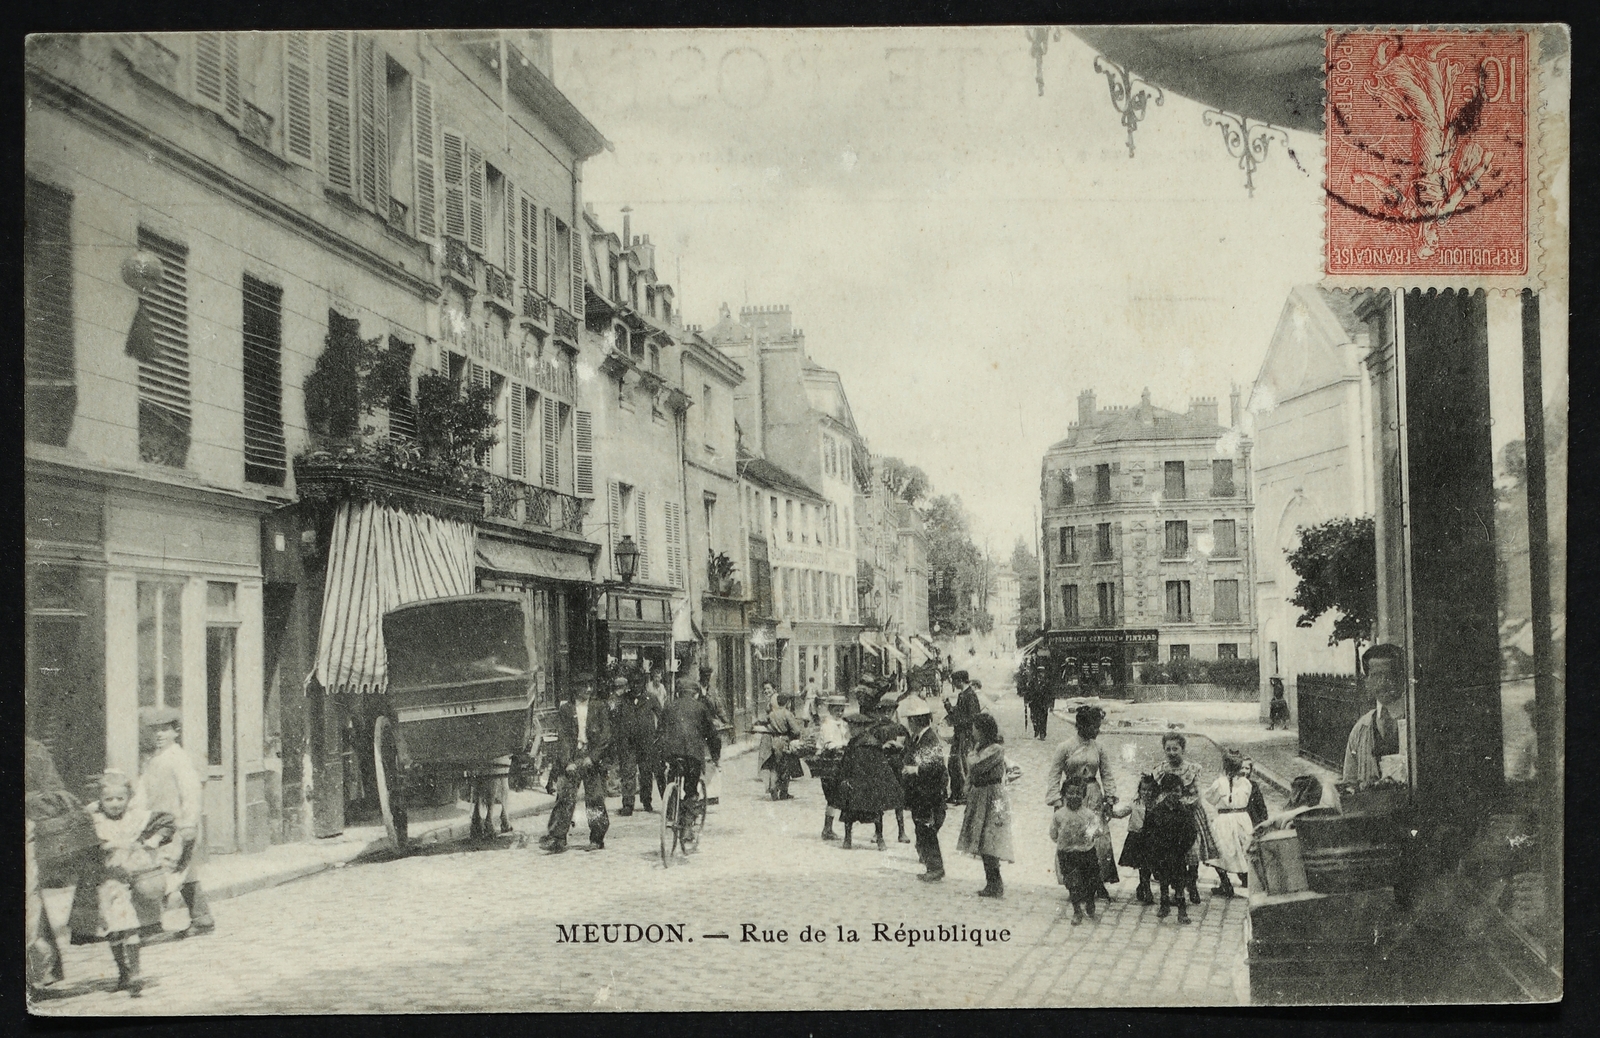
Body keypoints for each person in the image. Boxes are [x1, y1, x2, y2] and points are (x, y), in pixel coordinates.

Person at [71, 771, 176, 996]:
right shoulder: (94, 821)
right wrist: (102, 847)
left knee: (132, 927)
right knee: (116, 930)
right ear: (100, 800)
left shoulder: (136, 817)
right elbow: (82, 843)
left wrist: (152, 841)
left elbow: (166, 822)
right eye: (109, 799)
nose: (115, 804)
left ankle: (135, 972)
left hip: (135, 879)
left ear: (128, 798)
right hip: (109, 884)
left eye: (120, 798)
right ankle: (123, 971)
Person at [135, 705, 214, 937]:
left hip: (177, 827)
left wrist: (189, 823)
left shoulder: (178, 758)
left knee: (162, 873)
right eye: (154, 731)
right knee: (184, 872)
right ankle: (202, 918)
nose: (158, 735)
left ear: (175, 732)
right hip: (158, 826)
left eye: (164, 730)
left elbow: (191, 792)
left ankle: (151, 925)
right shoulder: (153, 760)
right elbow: (143, 793)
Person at [26, 737, 79, 991]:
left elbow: (54, 794)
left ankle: (38, 971)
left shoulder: (31, 750)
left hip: (24, 827)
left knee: (28, 901)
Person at [541, 674, 613, 854]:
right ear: (575, 688)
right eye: (584, 685)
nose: (589, 689)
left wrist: (593, 757)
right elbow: (563, 737)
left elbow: (605, 736)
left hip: (591, 757)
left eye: (591, 685)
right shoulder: (566, 709)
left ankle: (597, 838)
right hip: (573, 757)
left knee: (595, 798)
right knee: (565, 796)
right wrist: (567, 762)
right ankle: (558, 838)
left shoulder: (599, 707)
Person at [835, 693, 907, 851]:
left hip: (864, 783)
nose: (850, 729)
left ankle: (869, 838)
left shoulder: (865, 744)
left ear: (860, 728)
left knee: (864, 811)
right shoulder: (862, 742)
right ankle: (860, 838)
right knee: (865, 812)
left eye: (852, 727)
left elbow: (873, 764)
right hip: (864, 783)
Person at [1150, 732, 1215, 905]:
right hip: (1167, 817)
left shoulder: (1192, 769)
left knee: (1192, 852)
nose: (1171, 752)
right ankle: (1173, 887)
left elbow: (1196, 795)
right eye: (1168, 749)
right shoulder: (1160, 770)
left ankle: (1192, 884)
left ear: (1183, 749)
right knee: (1169, 853)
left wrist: (1181, 805)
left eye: (1175, 749)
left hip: (1189, 815)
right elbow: (1156, 794)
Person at [956, 713, 1015, 898]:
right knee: (981, 838)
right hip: (980, 794)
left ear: (982, 730)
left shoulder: (996, 749)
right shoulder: (979, 747)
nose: (972, 732)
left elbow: (976, 766)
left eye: (975, 728)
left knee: (991, 838)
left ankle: (996, 883)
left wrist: (970, 756)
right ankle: (991, 883)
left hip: (993, 796)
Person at [658, 679, 723, 834]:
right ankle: (687, 827)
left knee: (672, 778)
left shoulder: (669, 706)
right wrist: (715, 756)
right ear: (695, 694)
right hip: (692, 755)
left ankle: (671, 809)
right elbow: (713, 736)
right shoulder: (700, 708)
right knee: (691, 789)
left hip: (672, 754)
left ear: (679, 693)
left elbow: (660, 731)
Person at [1342, 644, 1409, 787]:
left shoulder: (1415, 721)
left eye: (1390, 675)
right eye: (1376, 676)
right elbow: (1349, 785)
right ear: (1367, 681)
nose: (1383, 683)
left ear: (1402, 678)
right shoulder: (1360, 729)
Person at [899, 696, 949, 882]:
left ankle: (935, 868)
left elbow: (936, 767)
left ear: (915, 721)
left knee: (926, 829)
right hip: (921, 794)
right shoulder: (919, 738)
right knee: (922, 828)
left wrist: (916, 769)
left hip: (930, 794)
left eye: (910, 721)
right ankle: (929, 861)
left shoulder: (929, 739)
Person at [1203, 749, 1256, 898]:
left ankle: (1225, 882)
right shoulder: (1246, 783)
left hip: (1225, 820)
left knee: (1218, 850)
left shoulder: (1219, 783)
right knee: (1242, 848)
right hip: (1242, 818)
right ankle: (1245, 879)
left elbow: (1210, 799)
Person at [1147, 772, 1198, 924]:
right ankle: (1164, 905)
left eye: (1177, 791)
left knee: (1180, 882)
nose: (1173, 795)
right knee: (1163, 881)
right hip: (1161, 853)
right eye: (1169, 791)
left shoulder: (1184, 811)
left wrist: (1184, 846)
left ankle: (1182, 912)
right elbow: (1150, 833)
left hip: (1178, 853)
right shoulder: (1157, 812)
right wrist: (1155, 849)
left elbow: (1191, 832)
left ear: (1182, 792)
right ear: (1163, 792)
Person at [1050, 778, 1102, 924]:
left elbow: (1097, 830)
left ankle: (1090, 902)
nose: (1074, 796)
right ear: (1064, 795)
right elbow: (1053, 834)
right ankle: (1077, 911)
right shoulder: (1059, 815)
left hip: (1086, 852)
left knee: (1090, 881)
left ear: (1083, 795)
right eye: (1070, 793)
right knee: (1073, 883)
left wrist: (1088, 836)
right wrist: (1065, 843)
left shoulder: (1089, 814)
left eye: (1078, 793)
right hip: (1067, 853)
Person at [614, 674, 663, 816]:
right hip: (628, 743)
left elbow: (661, 716)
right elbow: (613, 717)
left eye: (638, 683)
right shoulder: (623, 699)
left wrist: (658, 735)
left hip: (647, 742)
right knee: (628, 772)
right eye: (633, 683)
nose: (635, 686)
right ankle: (628, 804)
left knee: (646, 772)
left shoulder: (651, 698)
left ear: (643, 684)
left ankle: (646, 800)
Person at [813, 696, 851, 841]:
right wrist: (841, 746)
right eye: (836, 710)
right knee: (832, 796)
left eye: (841, 710)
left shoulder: (844, 724)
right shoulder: (827, 725)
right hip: (829, 763)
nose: (839, 713)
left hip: (841, 763)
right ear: (830, 710)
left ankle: (829, 828)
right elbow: (829, 744)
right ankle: (827, 828)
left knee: (838, 796)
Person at [757, 689, 805, 801]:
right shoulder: (787, 714)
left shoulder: (772, 714)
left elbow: (764, 722)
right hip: (784, 741)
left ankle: (773, 787)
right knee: (785, 767)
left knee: (774, 766)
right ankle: (784, 792)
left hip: (773, 741)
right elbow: (796, 730)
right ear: (787, 702)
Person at [943, 670, 981, 805]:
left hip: (965, 736)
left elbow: (972, 718)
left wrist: (955, 720)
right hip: (959, 735)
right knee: (953, 764)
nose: (953, 684)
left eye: (954, 681)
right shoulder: (963, 695)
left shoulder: (969, 695)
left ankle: (964, 794)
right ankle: (956, 793)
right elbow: (959, 714)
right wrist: (948, 708)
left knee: (962, 765)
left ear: (959, 681)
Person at [1119, 773, 1159, 904]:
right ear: (1139, 790)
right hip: (1137, 837)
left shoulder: (1157, 804)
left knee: (1150, 865)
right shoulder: (1135, 803)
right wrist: (1109, 812)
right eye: (1144, 789)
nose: (1146, 793)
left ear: (1154, 791)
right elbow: (1122, 813)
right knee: (1143, 865)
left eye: (1149, 790)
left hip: (1151, 839)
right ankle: (1146, 889)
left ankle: (1142, 886)